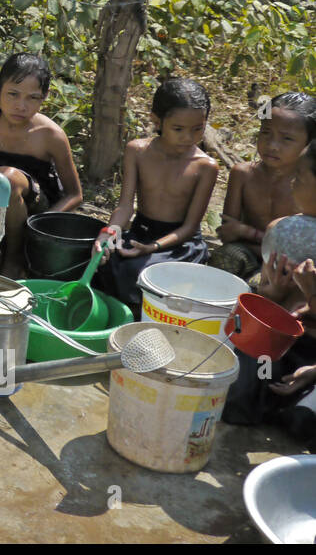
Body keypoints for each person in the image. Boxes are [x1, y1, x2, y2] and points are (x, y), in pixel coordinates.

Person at [91, 78, 219, 313]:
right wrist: (108, 233)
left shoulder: (205, 166)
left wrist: (153, 247)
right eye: (178, 129)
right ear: (156, 120)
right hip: (140, 234)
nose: (188, 138)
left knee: (140, 274)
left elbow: (190, 227)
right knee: (101, 262)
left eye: (197, 129)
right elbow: (125, 207)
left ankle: (140, 329)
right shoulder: (138, 151)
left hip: (179, 244)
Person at [0, 53, 83, 278]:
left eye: (32, 98)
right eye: (13, 94)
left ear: (45, 96)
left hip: (31, 207)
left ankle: (14, 259)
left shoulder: (50, 135)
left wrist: (41, 226)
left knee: (7, 178)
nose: (20, 106)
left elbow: (74, 194)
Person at [224, 140, 316, 443]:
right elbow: (264, 305)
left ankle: (294, 407)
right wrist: (274, 293)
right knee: (236, 397)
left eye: (300, 177)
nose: (292, 182)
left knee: (304, 425)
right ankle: (275, 404)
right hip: (282, 343)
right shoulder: (281, 232)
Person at [209, 91, 316, 282]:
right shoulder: (242, 174)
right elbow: (228, 235)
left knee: (260, 285)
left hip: (289, 270)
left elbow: (303, 254)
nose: (272, 145)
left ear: (308, 144)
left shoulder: (307, 189)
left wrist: (247, 232)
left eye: (287, 139)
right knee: (226, 256)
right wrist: (250, 238)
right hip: (247, 254)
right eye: (266, 132)